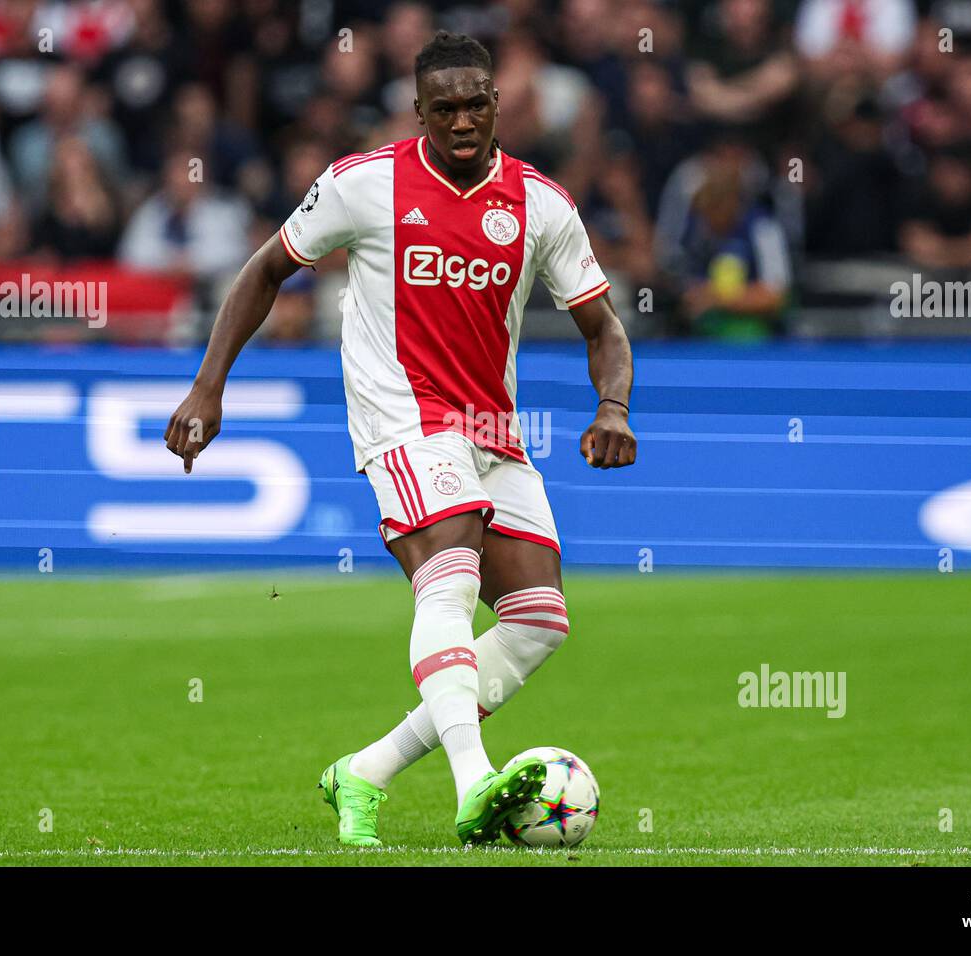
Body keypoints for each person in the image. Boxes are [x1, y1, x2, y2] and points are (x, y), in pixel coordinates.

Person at [163, 31, 636, 847]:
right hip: (401, 420)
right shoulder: (363, 185)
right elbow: (264, 271)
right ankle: (473, 781)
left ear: (497, 103)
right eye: (444, 107)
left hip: (492, 428)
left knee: (538, 621)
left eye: (475, 103)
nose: (462, 120)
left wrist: (614, 408)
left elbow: (602, 325)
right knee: (448, 578)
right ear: (418, 111)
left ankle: (366, 772)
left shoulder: (541, 203)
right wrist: (209, 385)